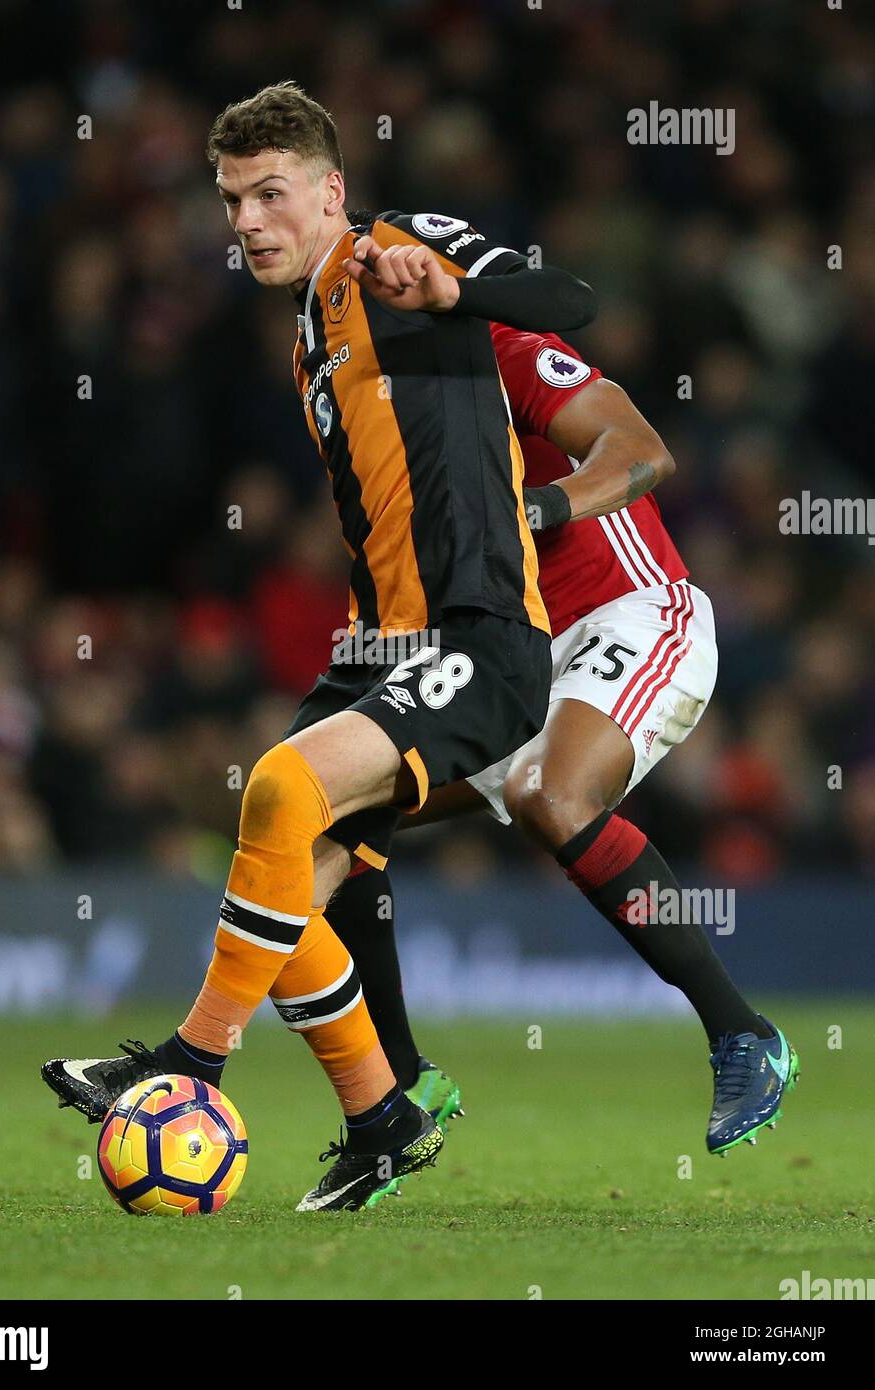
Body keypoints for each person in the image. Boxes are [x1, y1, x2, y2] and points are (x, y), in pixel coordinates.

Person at [41, 80, 596, 1212]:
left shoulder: (393, 249)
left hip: (479, 634)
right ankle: (381, 1114)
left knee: (286, 792)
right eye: (232, 199)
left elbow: (571, 296)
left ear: (330, 192)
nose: (246, 220)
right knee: (277, 860)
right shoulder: (306, 329)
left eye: (270, 194)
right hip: (381, 645)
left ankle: (189, 1064)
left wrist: (460, 286)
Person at [325, 319, 800, 1176]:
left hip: (636, 611)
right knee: (341, 805)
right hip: (510, 658)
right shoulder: (364, 412)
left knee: (552, 792)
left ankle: (743, 1034)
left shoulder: (501, 351)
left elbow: (642, 451)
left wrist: (537, 509)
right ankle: (400, 1083)